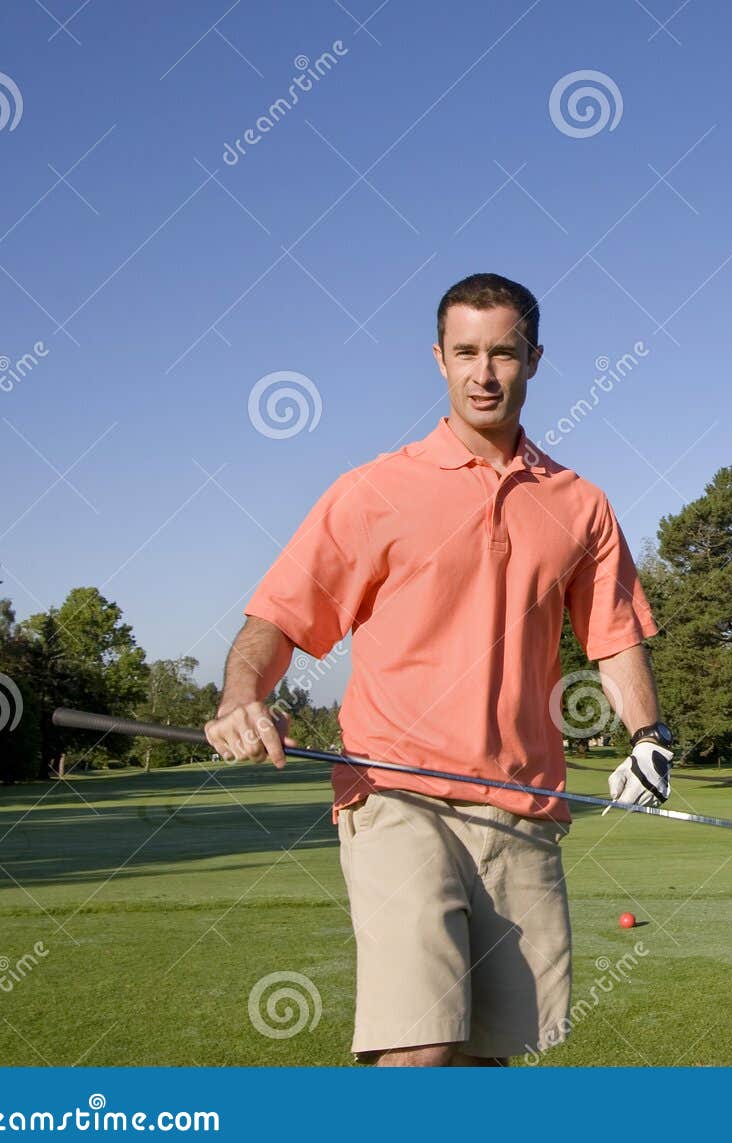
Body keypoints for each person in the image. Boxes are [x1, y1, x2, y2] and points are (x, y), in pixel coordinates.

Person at [202, 272, 673, 1066]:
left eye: (502, 353)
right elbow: (278, 617)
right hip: (395, 795)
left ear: (534, 359)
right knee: (420, 1048)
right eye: (465, 352)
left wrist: (649, 733)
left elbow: (615, 633)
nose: (483, 373)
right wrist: (242, 696)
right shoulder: (374, 490)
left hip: (523, 807)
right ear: (439, 359)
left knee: (492, 1059)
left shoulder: (580, 504)